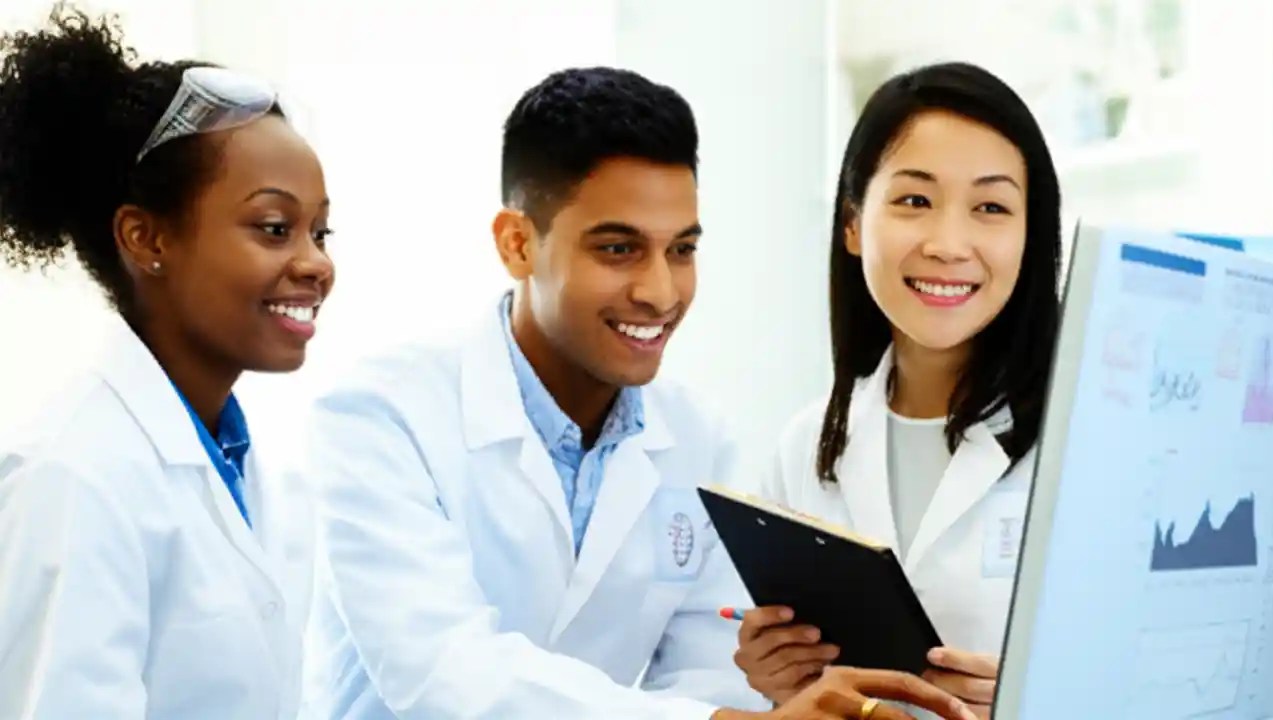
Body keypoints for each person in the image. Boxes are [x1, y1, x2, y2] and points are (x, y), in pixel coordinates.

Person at [300, 67, 976, 720]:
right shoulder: (381, 415)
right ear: (517, 244)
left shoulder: (699, 441)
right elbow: (441, 670)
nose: (660, 291)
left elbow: (707, 673)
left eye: (681, 250)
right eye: (618, 249)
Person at [0, 5, 334, 718]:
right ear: (146, 239)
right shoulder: (76, 477)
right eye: (275, 228)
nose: (316, 264)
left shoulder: (249, 470)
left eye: (321, 232)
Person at [730, 62, 1062, 720]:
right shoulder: (805, 446)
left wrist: (1047, 698)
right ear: (853, 224)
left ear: (1030, 236)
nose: (948, 245)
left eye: (991, 208)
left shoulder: (1083, 438)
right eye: (914, 201)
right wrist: (778, 684)